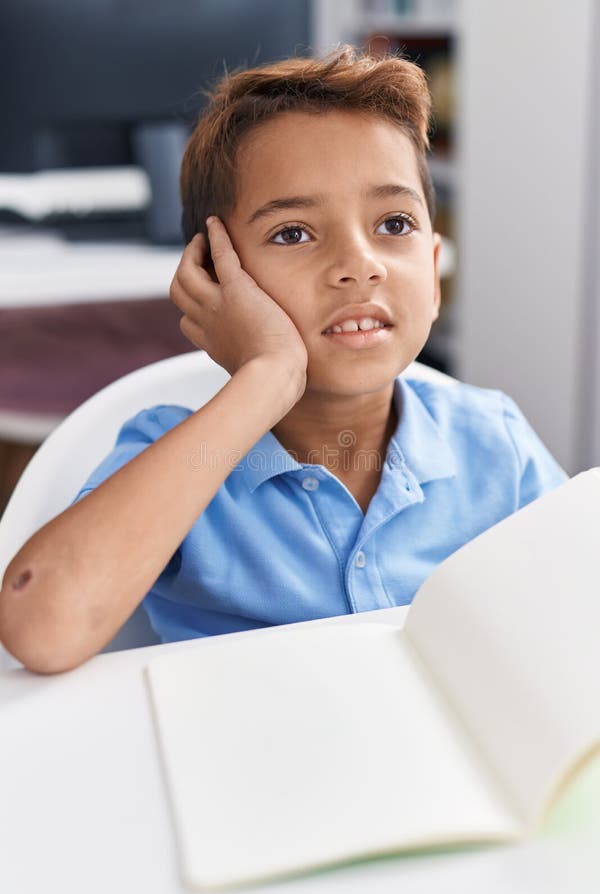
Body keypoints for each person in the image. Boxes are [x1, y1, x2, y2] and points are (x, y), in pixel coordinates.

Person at [0, 45, 567, 673]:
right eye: (293, 233)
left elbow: (575, 614)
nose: (359, 264)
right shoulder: (180, 455)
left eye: (395, 224)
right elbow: (42, 629)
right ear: (216, 281)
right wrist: (265, 375)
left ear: (433, 277)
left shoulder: (495, 443)